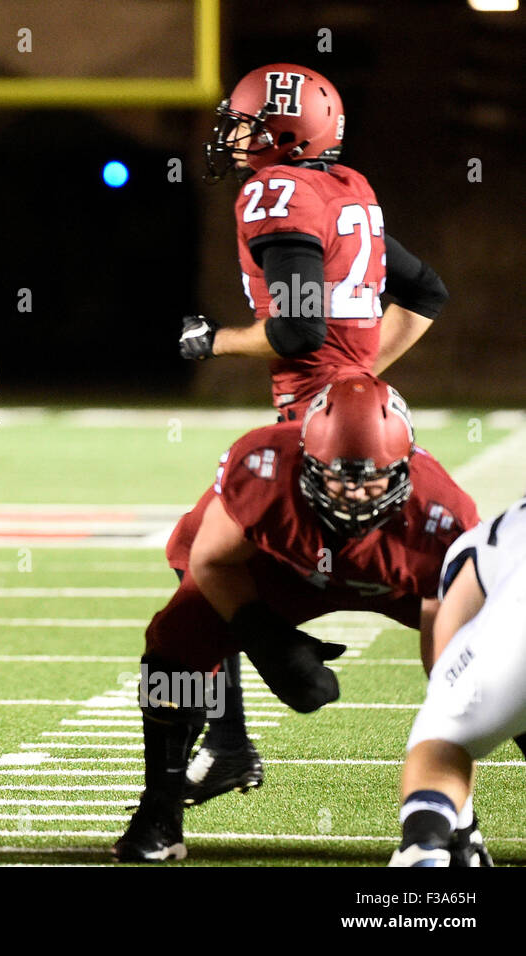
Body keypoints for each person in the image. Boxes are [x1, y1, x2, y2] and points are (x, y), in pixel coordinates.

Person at [177, 63, 451, 804]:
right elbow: (425, 294)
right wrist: (362, 377)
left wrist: (213, 342)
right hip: (369, 422)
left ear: (284, 130)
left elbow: (297, 327)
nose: (232, 136)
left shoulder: (280, 191)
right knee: (446, 587)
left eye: (243, 122)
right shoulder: (347, 188)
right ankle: (255, 711)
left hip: (318, 436)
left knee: (195, 558)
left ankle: (237, 732)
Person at [111, 375, 478, 863]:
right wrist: (266, 639)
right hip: (281, 568)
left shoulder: (442, 516)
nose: (355, 494)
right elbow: (211, 561)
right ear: (307, 463)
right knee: (176, 643)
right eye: (339, 476)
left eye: (372, 477)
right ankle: (160, 809)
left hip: (393, 578)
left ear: (404, 468)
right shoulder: (264, 468)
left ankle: (460, 828)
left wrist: (458, 815)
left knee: (504, 663)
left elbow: (448, 665)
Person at [389, 495, 526, 866]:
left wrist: (460, 828)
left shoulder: (471, 551)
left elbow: (444, 660)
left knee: (441, 739)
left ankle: (425, 848)